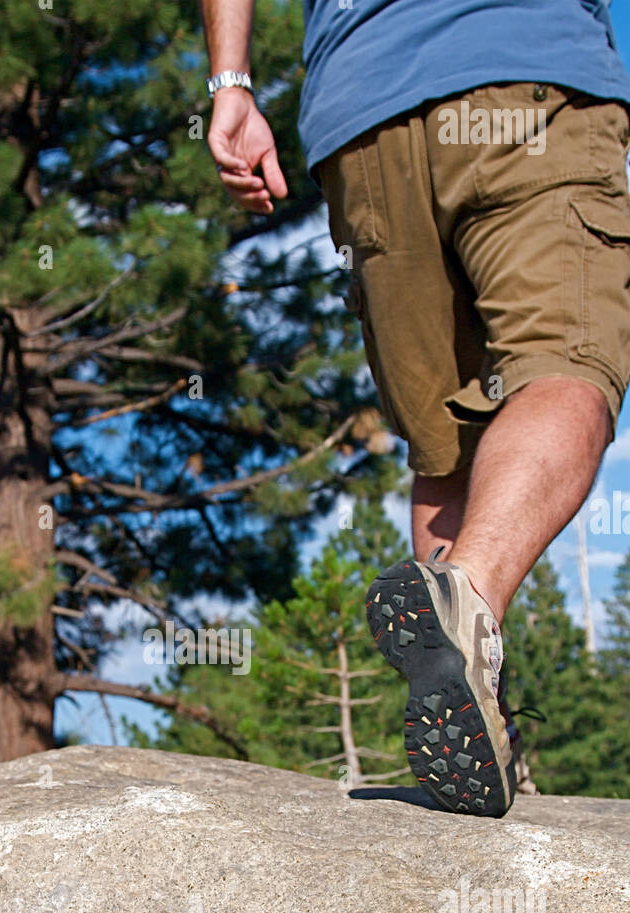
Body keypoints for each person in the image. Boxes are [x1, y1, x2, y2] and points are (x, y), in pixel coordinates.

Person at [200, 0, 630, 815]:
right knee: (565, 363)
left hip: (362, 119)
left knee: (443, 449)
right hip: (522, 67)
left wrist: (232, 86)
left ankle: (480, 720)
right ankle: (464, 599)